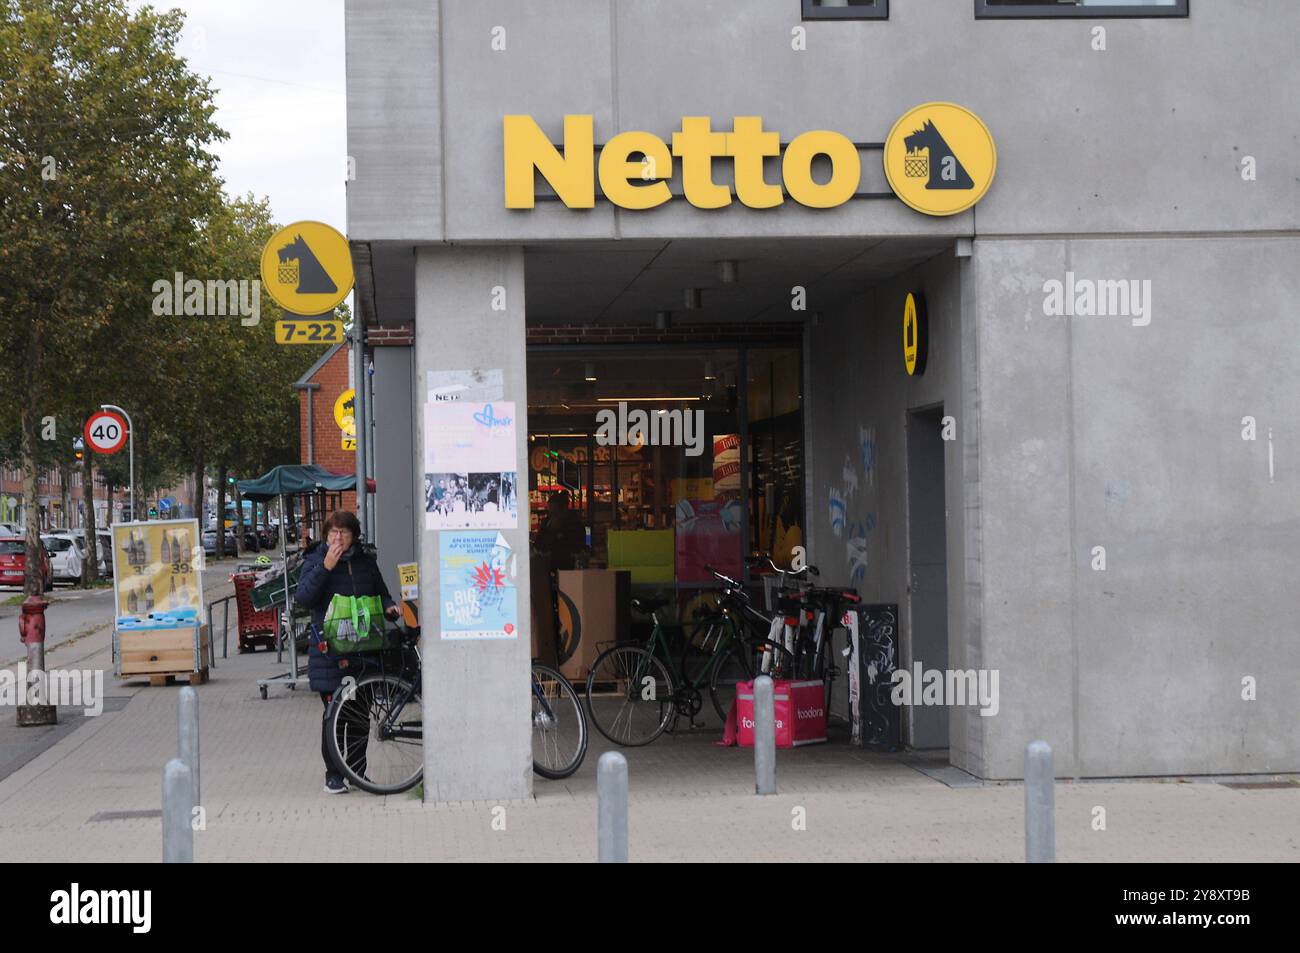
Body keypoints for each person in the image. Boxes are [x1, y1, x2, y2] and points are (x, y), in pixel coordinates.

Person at [293, 510, 399, 794]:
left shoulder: (365, 561)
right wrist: (326, 567)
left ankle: (357, 772)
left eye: (344, 533)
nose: (338, 538)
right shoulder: (316, 560)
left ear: (354, 537)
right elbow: (303, 598)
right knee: (334, 714)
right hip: (330, 651)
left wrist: (389, 605)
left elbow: (381, 591)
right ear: (326, 535)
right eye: (333, 533)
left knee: (360, 713)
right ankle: (334, 774)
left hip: (363, 648)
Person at [535, 490, 586, 571]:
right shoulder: (547, 522)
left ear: (564, 510)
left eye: (555, 513)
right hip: (549, 566)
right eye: (550, 512)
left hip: (568, 567)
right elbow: (538, 544)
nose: (552, 516)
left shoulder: (574, 524)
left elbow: (578, 546)